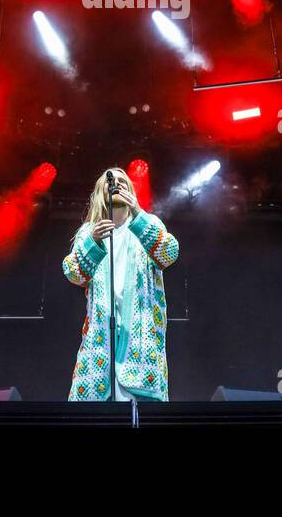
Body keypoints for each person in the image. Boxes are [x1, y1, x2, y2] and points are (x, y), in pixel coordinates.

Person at [62, 168, 179, 402]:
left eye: (122, 181)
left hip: (140, 340)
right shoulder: (89, 232)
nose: (115, 183)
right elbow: (73, 274)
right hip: (101, 342)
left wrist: (137, 212)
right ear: (98, 192)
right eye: (109, 181)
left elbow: (169, 253)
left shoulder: (147, 224)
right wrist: (92, 242)